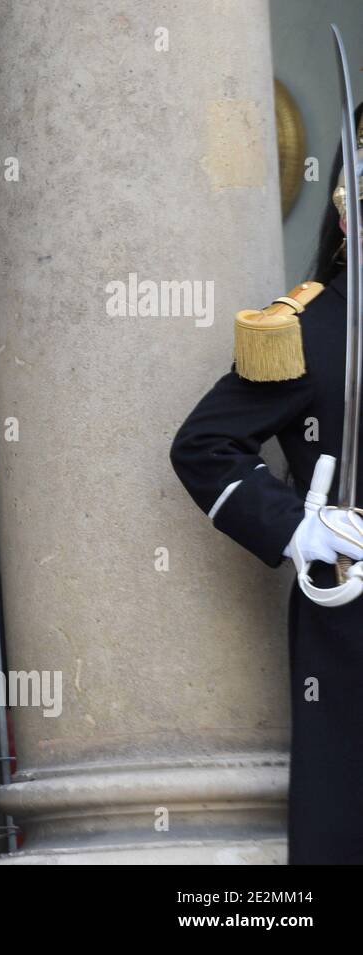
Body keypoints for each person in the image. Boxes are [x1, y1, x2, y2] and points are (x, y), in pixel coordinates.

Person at [170, 107, 363, 864]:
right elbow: (204, 444)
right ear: (348, 217)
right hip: (353, 609)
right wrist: (301, 529)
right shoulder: (309, 330)